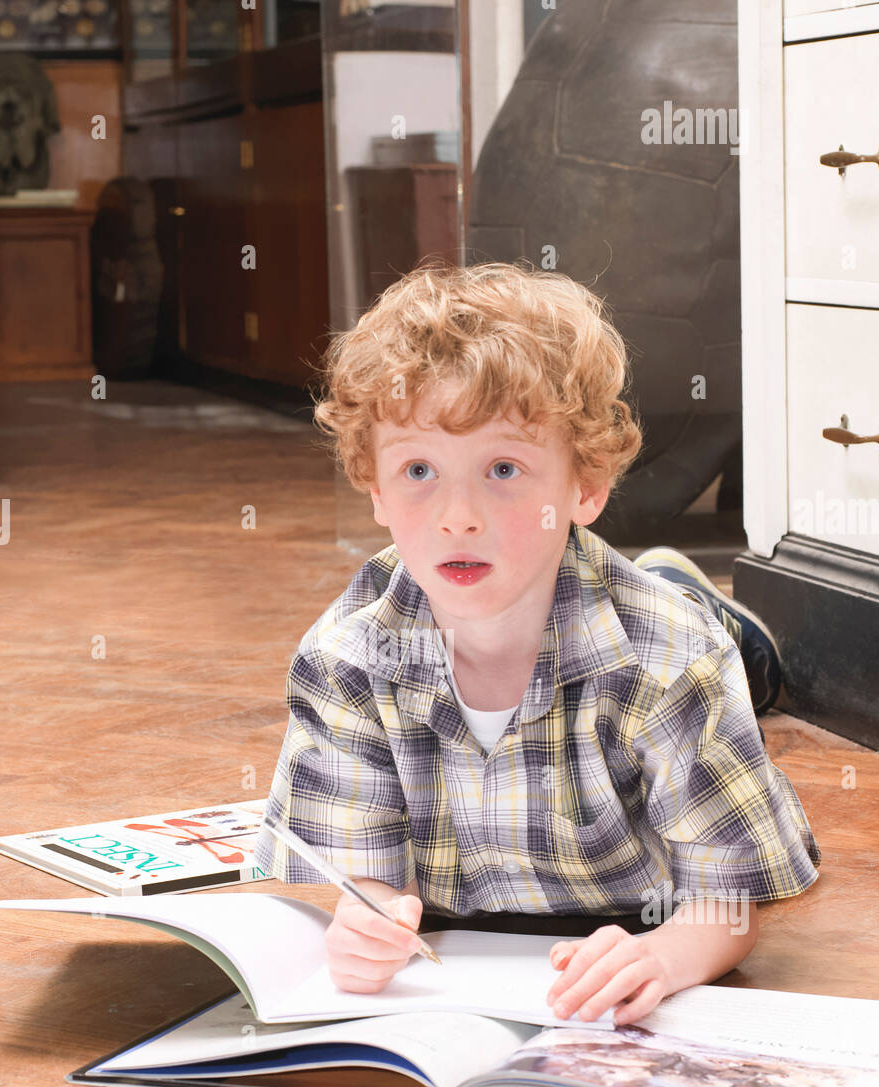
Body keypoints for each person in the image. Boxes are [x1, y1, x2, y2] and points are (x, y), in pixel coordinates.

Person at [252, 261, 821, 1026]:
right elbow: (368, 886)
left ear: (583, 489)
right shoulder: (346, 659)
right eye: (419, 470)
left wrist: (664, 955)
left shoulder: (672, 657)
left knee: (699, 637)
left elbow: (731, 898)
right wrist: (368, 923)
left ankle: (721, 618)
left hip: (648, 746)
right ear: (376, 489)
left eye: (504, 469)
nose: (457, 515)